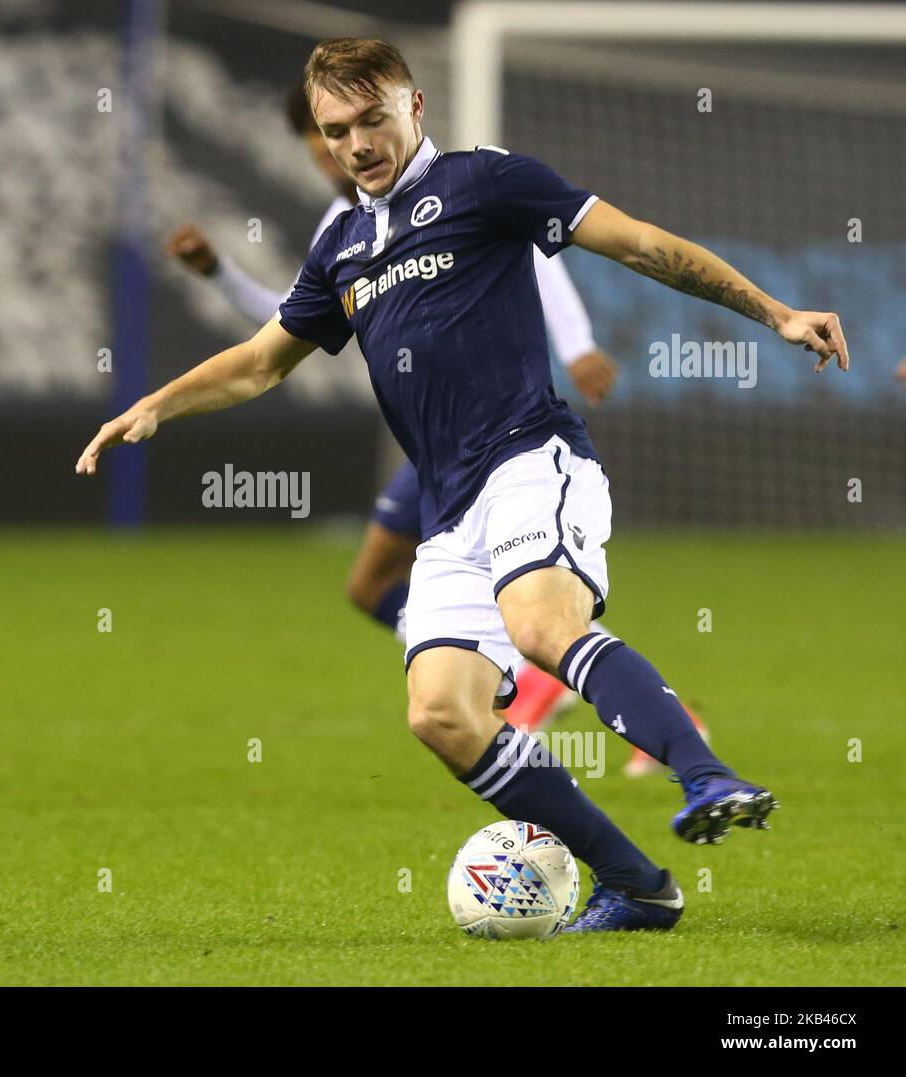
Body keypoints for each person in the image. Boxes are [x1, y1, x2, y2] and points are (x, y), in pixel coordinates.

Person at [78, 38, 848, 932]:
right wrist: (156, 407)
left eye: (372, 118)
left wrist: (777, 312)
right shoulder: (342, 245)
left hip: (532, 457)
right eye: (336, 131)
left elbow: (638, 244)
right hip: (448, 510)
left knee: (540, 624)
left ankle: (706, 771)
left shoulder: (487, 182)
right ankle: (637, 884)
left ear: (414, 106)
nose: (357, 143)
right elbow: (260, 363)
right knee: (441, 712)